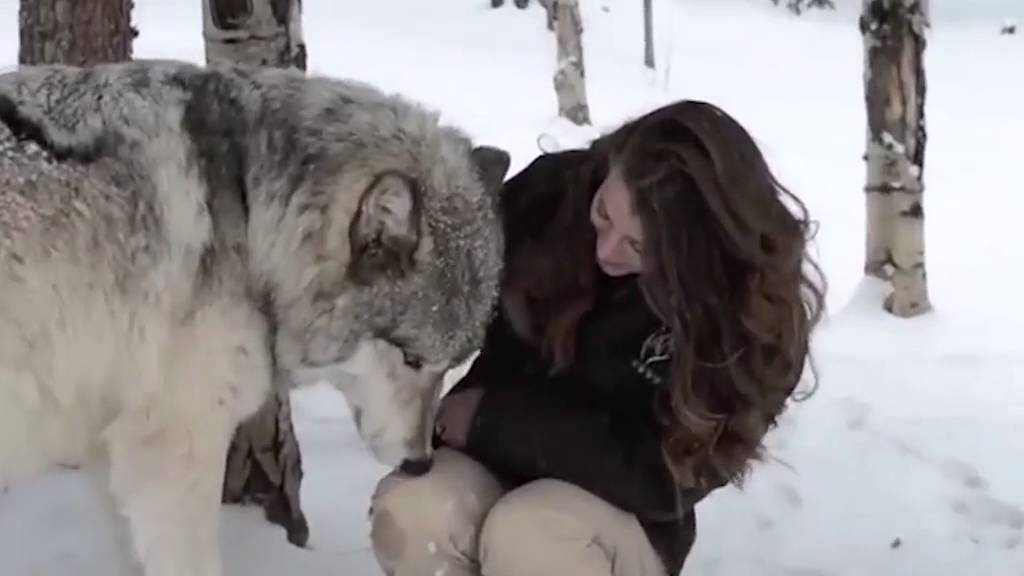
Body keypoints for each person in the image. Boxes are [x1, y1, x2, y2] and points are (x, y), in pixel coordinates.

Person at [367, 100, 826, 576]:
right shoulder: (552, 194)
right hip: (488, 460)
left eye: (640, 247)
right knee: (413, 511)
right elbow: (447, 292)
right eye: (604, 215)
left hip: (615, 513)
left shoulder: (750, 313)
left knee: (531, 533)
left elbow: (669, 477)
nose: (606, 249)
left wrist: (491, 421)